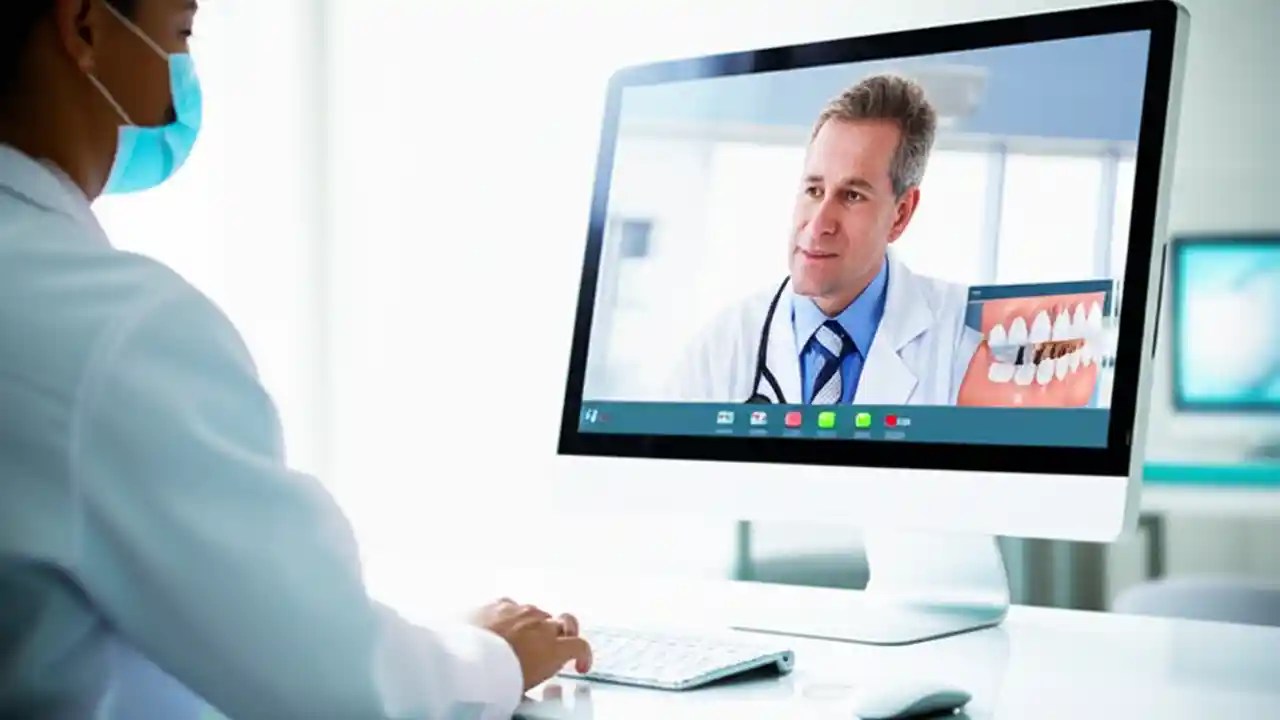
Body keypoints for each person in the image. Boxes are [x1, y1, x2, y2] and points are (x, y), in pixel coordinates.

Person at [0, 2, 590, 718]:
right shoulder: (108, 330)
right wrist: (491, 657)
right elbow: (342, 692)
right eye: (180, 34)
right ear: (86, 28)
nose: (180, 73)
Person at [666, 74, 980, 406]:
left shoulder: (964, 340)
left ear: (900, 215)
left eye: (852, 196)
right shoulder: (721, 349)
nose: (818, 226)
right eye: (814, 190)